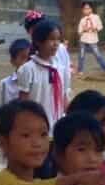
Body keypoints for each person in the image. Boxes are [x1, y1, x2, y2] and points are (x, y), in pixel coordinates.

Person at [15, 18, 72, 175]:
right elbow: (23, 103)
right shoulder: (28, 70)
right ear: (39, 42)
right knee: (39, 174)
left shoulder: (60, 69)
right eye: (51, 40)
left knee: (56, 175)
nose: (55, 44)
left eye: (58, 40)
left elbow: (64, 98)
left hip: (58, 130)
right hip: (37, 133)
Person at [0, 38, 33, 114]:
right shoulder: (4, 84)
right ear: (13, 61)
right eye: (23, 58)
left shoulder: (39, 81)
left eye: (29, 59)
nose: (27, 63)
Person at [77, 2, 105, 74]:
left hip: (93, 39)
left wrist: (95, 29)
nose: (86, 10)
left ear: (91, 9)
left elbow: (101, 27)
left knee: (97, 54)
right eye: (85, 9)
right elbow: (79, 32)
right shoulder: (82, 20)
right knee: (81, 55)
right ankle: (80, 70)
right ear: (82, 10)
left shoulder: (96, 17)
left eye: (88, 8)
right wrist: (83, 30)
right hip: (83, 40)